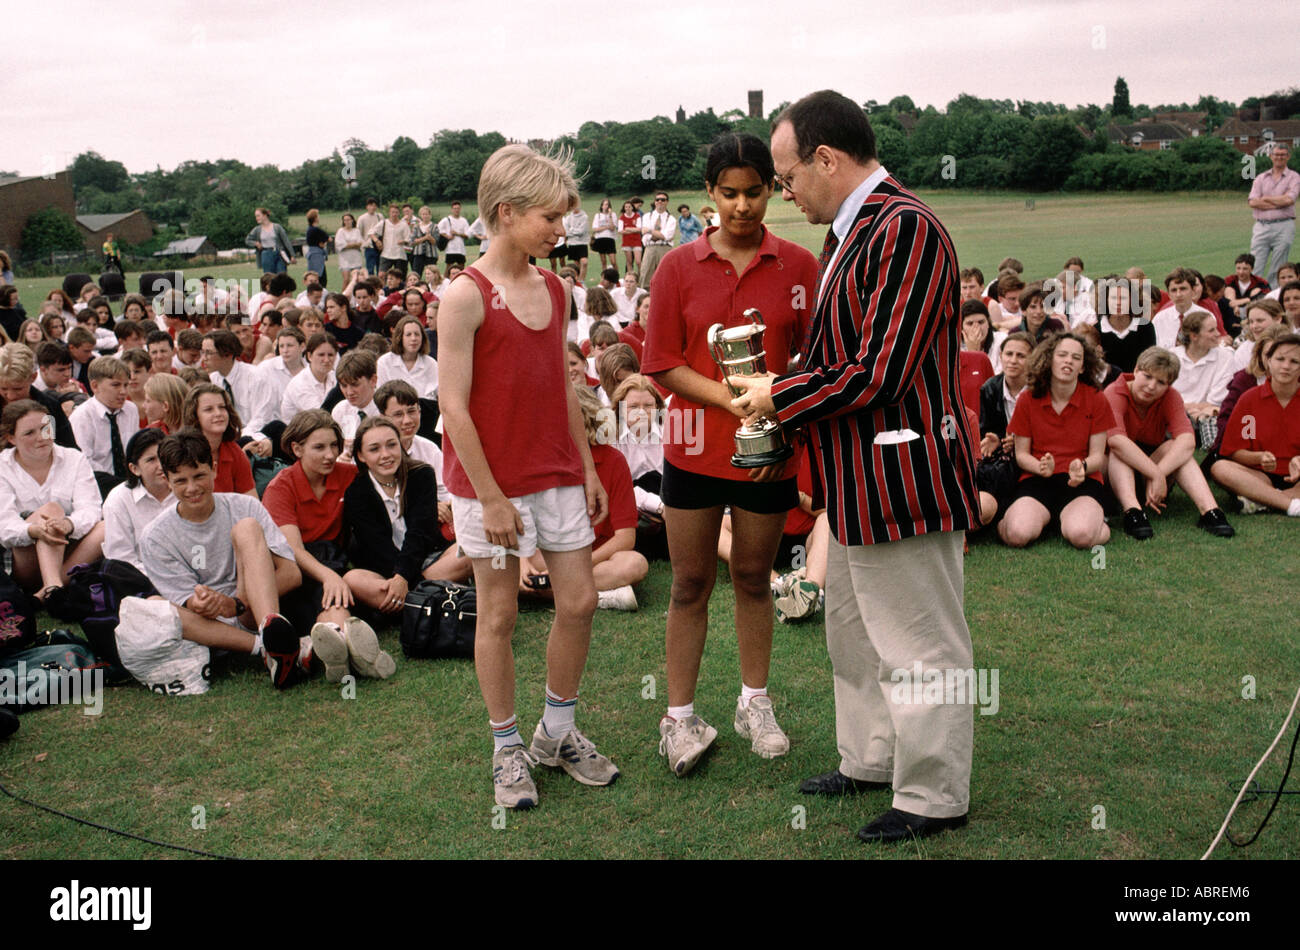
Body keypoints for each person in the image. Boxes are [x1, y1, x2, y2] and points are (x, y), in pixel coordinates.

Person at [730, 91, 979, 845]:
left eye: (786, 177)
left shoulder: (905, 228)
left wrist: (779, 394)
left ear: (826, 159)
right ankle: (870, 758)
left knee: (920, 642)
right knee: (855, 635)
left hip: (903, 477)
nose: (783, 193)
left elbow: (882, 370)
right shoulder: (856, 228)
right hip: (853, 483)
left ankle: (934, 793)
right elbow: (848, 357)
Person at [438, 142, 619, 810]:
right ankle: (507, 747)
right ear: (507, 213)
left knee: (579, 601)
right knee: (501, 613)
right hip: (490, 484)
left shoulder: (557, 287)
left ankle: (558, 733)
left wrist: (587, 464)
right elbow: (452, 406)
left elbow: (562, 387)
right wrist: (488, 496)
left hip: (558, 473)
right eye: (549, 217)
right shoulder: (463, 296)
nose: (561, 229)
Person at [641, 131, 816, 777]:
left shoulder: (799, 265)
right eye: (729, 194)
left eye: (756, 192)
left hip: (772, 455)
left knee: (751, 579)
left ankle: (754, 703)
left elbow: (814, 363)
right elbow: (659, 362)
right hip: (692, 451)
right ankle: (679, 718)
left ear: (773, 189)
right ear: (709, 194)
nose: (742, 206)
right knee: (689, 583)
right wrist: (736, 398)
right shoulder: (677, 267)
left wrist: (785, 422)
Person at [141, 431, 309, 689]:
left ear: (214, 469)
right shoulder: (155, 536)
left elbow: (291, 574)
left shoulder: (244, 506)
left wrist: (237, 604)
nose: (192, 488)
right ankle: (269, 650)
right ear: (166, 479)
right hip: (209, 626)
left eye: (199, 476)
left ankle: (271, 633)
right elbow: (186, 602)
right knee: (153, 606)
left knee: (247, 527)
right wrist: (203, 602)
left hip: (253, 608)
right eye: (181, 480)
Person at [998, 332, 1114, 550]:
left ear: (1082, 367)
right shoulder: (1027, 399)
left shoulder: (1097, 399)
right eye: (1062, 355)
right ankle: (1033, 518)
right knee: (1017, 535)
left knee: (1082, 536)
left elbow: (1098, 456)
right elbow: (1021, 455)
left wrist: (1083, 467)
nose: (1068, 360)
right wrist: (1040, 467)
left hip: (1081, 481)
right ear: (1049, 360)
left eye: (1076, 357)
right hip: (1036, 479)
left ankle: (1095, 521)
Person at [1104, 346, 1234, 539]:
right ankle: (1133, 512)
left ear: (1169, 385)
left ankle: (1210, 511)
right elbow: (1116, 440)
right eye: (1147, 376)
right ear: (1136, 370)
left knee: (1177, 447)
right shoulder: (1114, 391)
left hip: (1150, 470)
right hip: (1114, 473)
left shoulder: (1171, 396)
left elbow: (1188, 441)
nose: (1151, 386)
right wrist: (1156, 474)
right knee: (1119, 450)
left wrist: (1158, 474)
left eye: (1160, 382)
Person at [342, 416, 463, 615]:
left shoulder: (421, 475)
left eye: (391, 445)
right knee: (352, 579)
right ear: (361, 456)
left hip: (428, 561)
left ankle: (409, 604)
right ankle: (437, 597)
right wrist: (398, 578)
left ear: (401, 445)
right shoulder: (356, 493)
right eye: (374, 449)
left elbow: (420, 533)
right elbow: (377, 548)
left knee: (465, 550)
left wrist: (404, 579)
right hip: (385, 572)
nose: (386, 455)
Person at [0, 399, 104, 601]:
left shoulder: (74, 458)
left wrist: (68, 524)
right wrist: (34, 530)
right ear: (11, 438)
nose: (41, 438)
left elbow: (91, 509)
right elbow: (4, 525)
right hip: (25, 560)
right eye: (29, 433)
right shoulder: (2, 466)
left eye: (45, 428)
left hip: (68, 550)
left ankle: (50, 589)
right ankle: (53, 586)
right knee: (52, 509)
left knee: (106, 527)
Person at [1210, 332, 1300, 515]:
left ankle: (1264, 500)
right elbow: (1235, 452)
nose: (1286, 366)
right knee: (1220, 468)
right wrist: (1259, 458)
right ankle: (1289, 504)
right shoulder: (1250, 400)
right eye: (1280, 359)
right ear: (1268, 361)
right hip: (1259, 476)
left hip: (1297, 479)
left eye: (1294, 362)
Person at [975, 332, 1034, 526]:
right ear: (1000, 356)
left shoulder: (1040, 390)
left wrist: (1022, 441)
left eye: (1021, 356)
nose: (1013, 361)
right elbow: (988, 429)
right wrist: (997, 439)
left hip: (1034, 453)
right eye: (1009, 354)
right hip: (1003, 455)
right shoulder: (990, 388)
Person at [101, 428, 174, 572]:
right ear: (134, 469)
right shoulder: (119, 500)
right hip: (141, 579)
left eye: (164, 456)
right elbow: (121, 560)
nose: (161, 466)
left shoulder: (186, 490)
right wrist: (166, 580)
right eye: (151, 460)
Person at [69, 356, 138, 498]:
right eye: (116, 385)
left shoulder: (130, 410)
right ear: (95, 386)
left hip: (130, 480)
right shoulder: (82, 416)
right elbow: (84, 463)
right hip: (96, 485)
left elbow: (135, 449)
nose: (123, 391)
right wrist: (118, 485)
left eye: (126, 385)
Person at [201, 330, 277, 458]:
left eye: (209, 353)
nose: (204, 358)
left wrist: (236, 440)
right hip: (229, 438)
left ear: (227, 354)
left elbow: (261, 418)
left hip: (257, 436)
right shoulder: (213, 379)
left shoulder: (256, 377)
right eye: (203, 352)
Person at [181, 383, 256, 497]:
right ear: (195, 416)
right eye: (209, 409)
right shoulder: (183, 452)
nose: (218, 413)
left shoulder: (234, 452)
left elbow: (252, 502)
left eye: (222, 407)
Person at [0, 344, 78, 449]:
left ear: (33, 377)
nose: (10, 396)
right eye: (3, 389)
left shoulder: (50, 407)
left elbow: (68, 449)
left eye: (18, 389)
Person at [1171, 310, 1235, 437]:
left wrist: (1190, 410)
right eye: (1211, 331)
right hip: (1173, 413)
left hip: (1207, 415)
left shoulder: (1226, 356)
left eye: (1216, 329)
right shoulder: (1171, 356)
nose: (1218, 334)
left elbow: (1216, 401)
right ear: (1194, 336)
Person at [1248, 143, 1300, 287]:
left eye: (1282, 155)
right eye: (1276, 154)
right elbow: (1252, 202)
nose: (1279, 157)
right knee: (1255, 265)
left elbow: (1289, 199)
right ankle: (1253, 297)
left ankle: (1274, 299)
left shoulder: (1294, 177)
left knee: (1278, 268)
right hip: (1262, 226)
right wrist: (1279, 202)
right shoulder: (1261, 178)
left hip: (1284, 226)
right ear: (1271, 156)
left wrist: (1265, 198)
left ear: (1288, 157)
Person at [377, 314, 438, 399]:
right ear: (400, 337)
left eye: (417, 334)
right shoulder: (384, 362)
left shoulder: (431, 364)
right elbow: (381, 396)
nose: (413, 338)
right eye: (408, 334)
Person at [281, 332, 338, 419]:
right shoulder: (299, 384)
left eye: (330, 355)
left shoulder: (334, 377)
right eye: (321, 355)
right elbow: (321, 418)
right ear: (309, 356)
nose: (326, 360)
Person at [638, 192, 676, 290]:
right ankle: (644, 300)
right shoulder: (646, 216)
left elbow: (666, 236)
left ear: (667, 202)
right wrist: (658, 234)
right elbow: (645, 235)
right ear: (654, 202)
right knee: (645, 274)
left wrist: (650, 231)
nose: (660, 202)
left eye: (662, 200)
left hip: (665, 248)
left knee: (666, 275)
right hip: (650, 247)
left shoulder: (671, 219)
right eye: (657, 199)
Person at [246, 207, 294, 274]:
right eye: (256, 216)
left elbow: (286, 241)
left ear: (265, 215)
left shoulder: (277, 227)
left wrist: (292, 255)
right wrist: (255, 243)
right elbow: (247, 240)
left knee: (282, 277)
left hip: (279, 254)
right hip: (266, 255)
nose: (256, 218)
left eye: (258, 216)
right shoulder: (257, 229)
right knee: (269, 278)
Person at [438, 201, 472, 271]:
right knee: (449, 268)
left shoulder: (463, 220)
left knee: (461, 268)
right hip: (450, 249)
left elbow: (468, 235)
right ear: (451, 209)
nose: (456, 210)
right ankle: (446, 281)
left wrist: (457, 233)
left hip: (460, 249)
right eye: (455, 208)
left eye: (458, 208)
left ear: (460, 209)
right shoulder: (446, 220)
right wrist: (447, 236)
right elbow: (437, 229)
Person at [335, 212, 365, 286]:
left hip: (356, 259)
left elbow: (360, 243)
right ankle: (343, 297)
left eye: (348, 219)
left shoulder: (356, 231)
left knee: (357, 280)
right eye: (345, 220)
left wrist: (348, 244)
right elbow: (341, 245)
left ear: (352, 220)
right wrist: (353, 244)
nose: (347, 221)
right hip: (345, 260)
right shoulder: (340, 231)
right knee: (346, 280)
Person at [563, 204, 590, 283]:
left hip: (582, 243)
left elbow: (581, 231)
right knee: (576, 265)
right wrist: (574, 231)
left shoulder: (584, 217)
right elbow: (566, 232)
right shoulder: (568, 218)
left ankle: (581, 281)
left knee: (584, 262)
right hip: (572, 243)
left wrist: (572, 230)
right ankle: (577, 281)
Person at [590, 198, 618, 274]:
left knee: (613, 261)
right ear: (602, 206)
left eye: (608, 204)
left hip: (610, 239)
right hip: (600, 239)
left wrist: (610, 216)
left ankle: (616, 276)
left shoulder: (613, 215)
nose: (606, 206)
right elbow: (595, 229)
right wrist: (606, 227)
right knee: (603, 261)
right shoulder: (597, 215)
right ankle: (605, 277)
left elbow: (612, 228)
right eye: (605, 204)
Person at [410, 206, 439, 279]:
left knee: (432, 274)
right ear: (420, 215)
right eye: (423, 214)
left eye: (426, 214)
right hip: (418, 254)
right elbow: (412, 242)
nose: (425, 216)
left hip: (431, 254)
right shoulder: (416, 227)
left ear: (430, 215)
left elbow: (435, 242)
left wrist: (429, 237)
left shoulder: (435, 226)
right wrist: (425, 238)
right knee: (416, 274)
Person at [304, 209, 329, 286]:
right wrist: (322, 243)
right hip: (316, 255)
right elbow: (328, 238)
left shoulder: (310, 229)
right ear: (315, 218)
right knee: (319, 277)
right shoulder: (315, 229)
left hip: (314, 254)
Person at [617, 200, 642, 275]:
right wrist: (633, 230)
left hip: (636, 241)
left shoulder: (637, 216)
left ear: (632, 208)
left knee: (638, 261)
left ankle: (641, 276)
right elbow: (620, 231)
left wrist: (628, 228)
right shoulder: (622, 218)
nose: (627, 208)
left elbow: (639, 229)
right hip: (627, 242)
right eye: (626, 207)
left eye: (629, 207)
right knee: (629, 261)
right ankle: (630, 277)